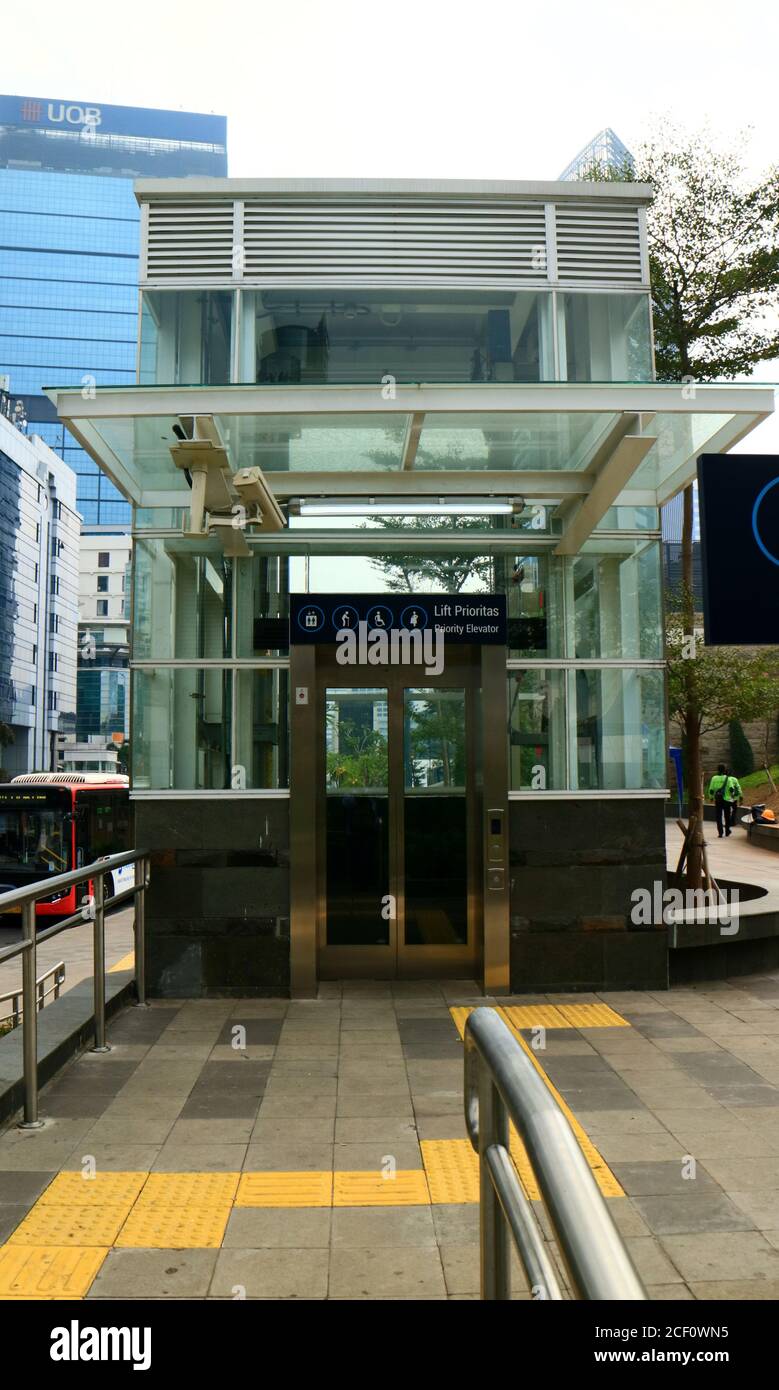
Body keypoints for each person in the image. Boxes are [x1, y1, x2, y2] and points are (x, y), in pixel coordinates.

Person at [707, 763, 743, 838]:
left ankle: (720, 832)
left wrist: (711, 797)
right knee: (727, 816)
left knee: (718, 816)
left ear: (718, 770)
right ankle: (727, 831)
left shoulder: (714, 778)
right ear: (725, 770)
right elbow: (731, 789)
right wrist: (732, 796)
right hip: (727, 800)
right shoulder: (728, 778)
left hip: (718, 800)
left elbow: (711, 789)